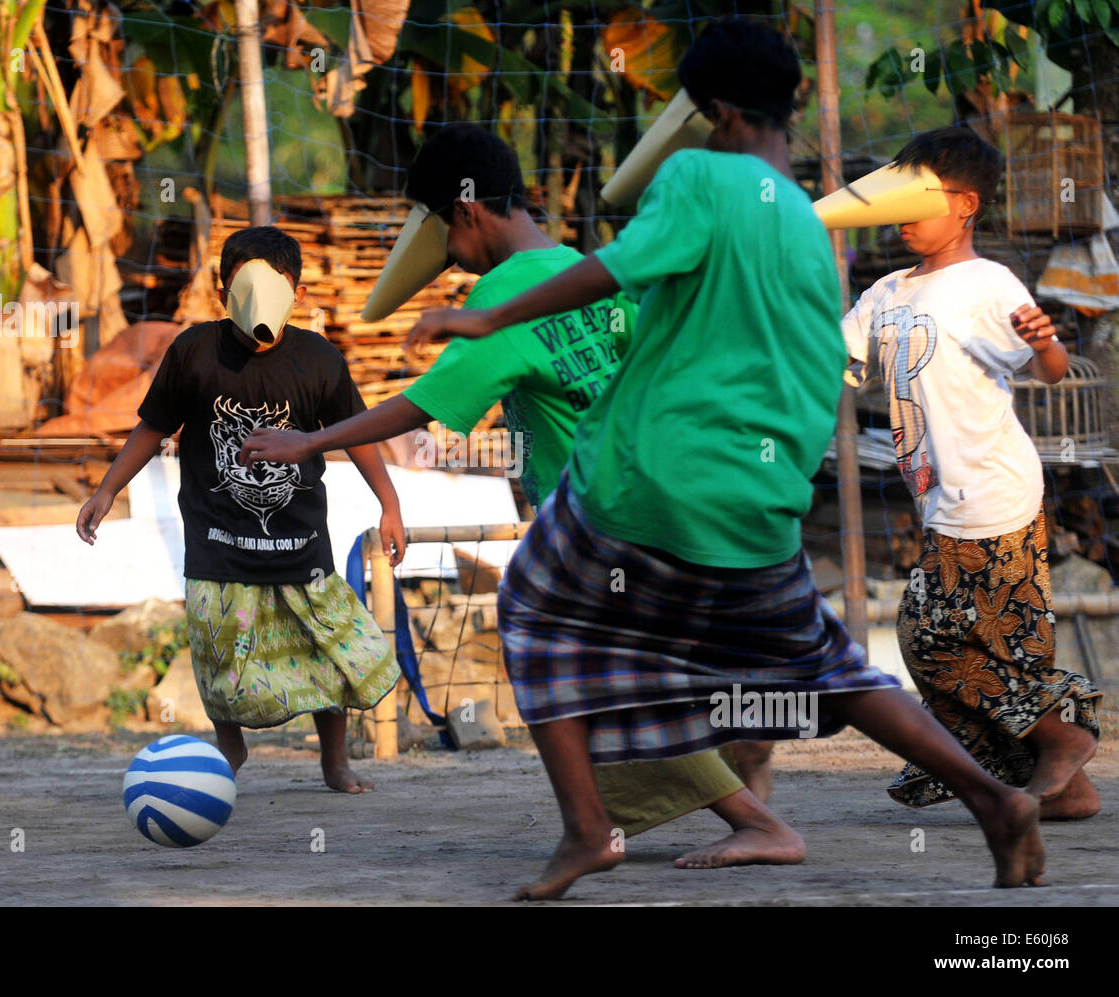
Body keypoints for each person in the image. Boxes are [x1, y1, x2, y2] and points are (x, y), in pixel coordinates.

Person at [406, 16, 1045, 900]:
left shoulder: (700, 176)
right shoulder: (811, 240)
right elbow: (820, 365)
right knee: (829, 669)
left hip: (645, 483)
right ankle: (995, 799)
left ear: (710, 109)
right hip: (761, 504)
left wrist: (485, 316)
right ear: (786, 104)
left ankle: (590, 830)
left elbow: (618, 267)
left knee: (532, 606)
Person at [241, 122, 805, 869]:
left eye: (443, 236)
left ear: (467, 214)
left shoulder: (505, 292)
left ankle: (735, 820)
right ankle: (684, 801)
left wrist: (308, 441)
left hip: (599, 521)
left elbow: (424, 403)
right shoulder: (591, 269)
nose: (445, 259)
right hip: (674, 506)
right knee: (623, 671)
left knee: (577, 665)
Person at [76, 226, 406, 794]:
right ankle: (229, 744)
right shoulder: (194, 352)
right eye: (242, 281)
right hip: (218, 543)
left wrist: (390, 503)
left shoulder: (319, 359)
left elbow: (357, 435)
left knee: (328, 650)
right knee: (218, 650)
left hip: (301, 545)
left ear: (296, 290)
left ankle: (335, 759)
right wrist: (107, 490)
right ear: (223, 288)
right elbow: (153, 426)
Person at [841, 126, 1102, 819]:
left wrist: (1047, 345)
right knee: (993, 652)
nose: (898, 213)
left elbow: (1044, 369)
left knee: (933, 640)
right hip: (942, 502)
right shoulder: (886, 292)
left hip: (995, 494)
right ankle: (1067, 788)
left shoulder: (989, 283)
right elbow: (830, 361)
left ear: (964, 204)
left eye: (915, 197)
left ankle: (1061, 735)